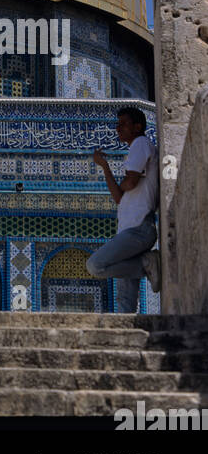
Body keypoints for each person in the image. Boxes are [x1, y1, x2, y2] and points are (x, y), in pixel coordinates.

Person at [87, 107, 160, 311]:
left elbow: (131, 182)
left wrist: (126, 181)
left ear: (137, 127)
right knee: (125, 302)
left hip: (139, 230)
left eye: (124, 124)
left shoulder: (140, 143)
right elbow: (119, 197)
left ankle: (146, 263)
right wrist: (105, 167)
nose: (118, 128)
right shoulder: (135, 149)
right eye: (118, 124)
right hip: (129, 231)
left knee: (95, 265)